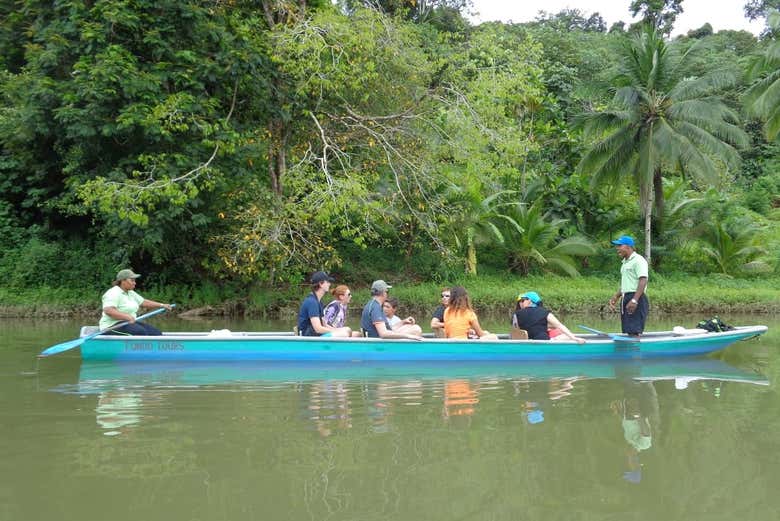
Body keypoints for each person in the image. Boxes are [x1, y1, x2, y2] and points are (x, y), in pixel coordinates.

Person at [99, 269, 173, 335]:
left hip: (128, 323)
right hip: (111, 325)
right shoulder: (113, 293)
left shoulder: (130, 292)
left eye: (134, 280)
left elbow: (143, 302)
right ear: (123, 281)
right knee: (140, 332)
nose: (135, 283)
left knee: (156, 333)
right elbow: (108, 310)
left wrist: (162, 305)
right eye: (132, 280)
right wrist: (127, 317)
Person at [608, 235, 649, 336]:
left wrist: (635, 300)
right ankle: (629, 350)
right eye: (616, 246)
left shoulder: (639, 260)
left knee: (634, 331)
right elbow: (626, 283)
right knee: (628, 330)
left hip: (636, 298)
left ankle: (634, 350)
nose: (617, 249)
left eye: (619, 246)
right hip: (626, 297)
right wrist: (616, 296)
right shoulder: (625, 263)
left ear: (628, 246)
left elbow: (643, 280)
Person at [512, 291, 585, 343]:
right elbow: (559, 325)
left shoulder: (517, 314)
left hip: (528, 340)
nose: (521, 302)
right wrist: (574, 338)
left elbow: (517, 330)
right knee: (566, 336)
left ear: (530, 301)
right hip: (543, 341)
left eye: (523, 300)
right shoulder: (545, 312)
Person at [297, 271, 353, 337]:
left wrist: (337, 329)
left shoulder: (319, 302)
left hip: (315, 336)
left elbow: (324, 324)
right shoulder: (312, 302)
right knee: (344, 334)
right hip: (308, 339)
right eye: (327, 282)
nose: (329, 284)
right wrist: (337, 331)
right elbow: (318, 329)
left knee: (347, 329)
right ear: (321, 284)